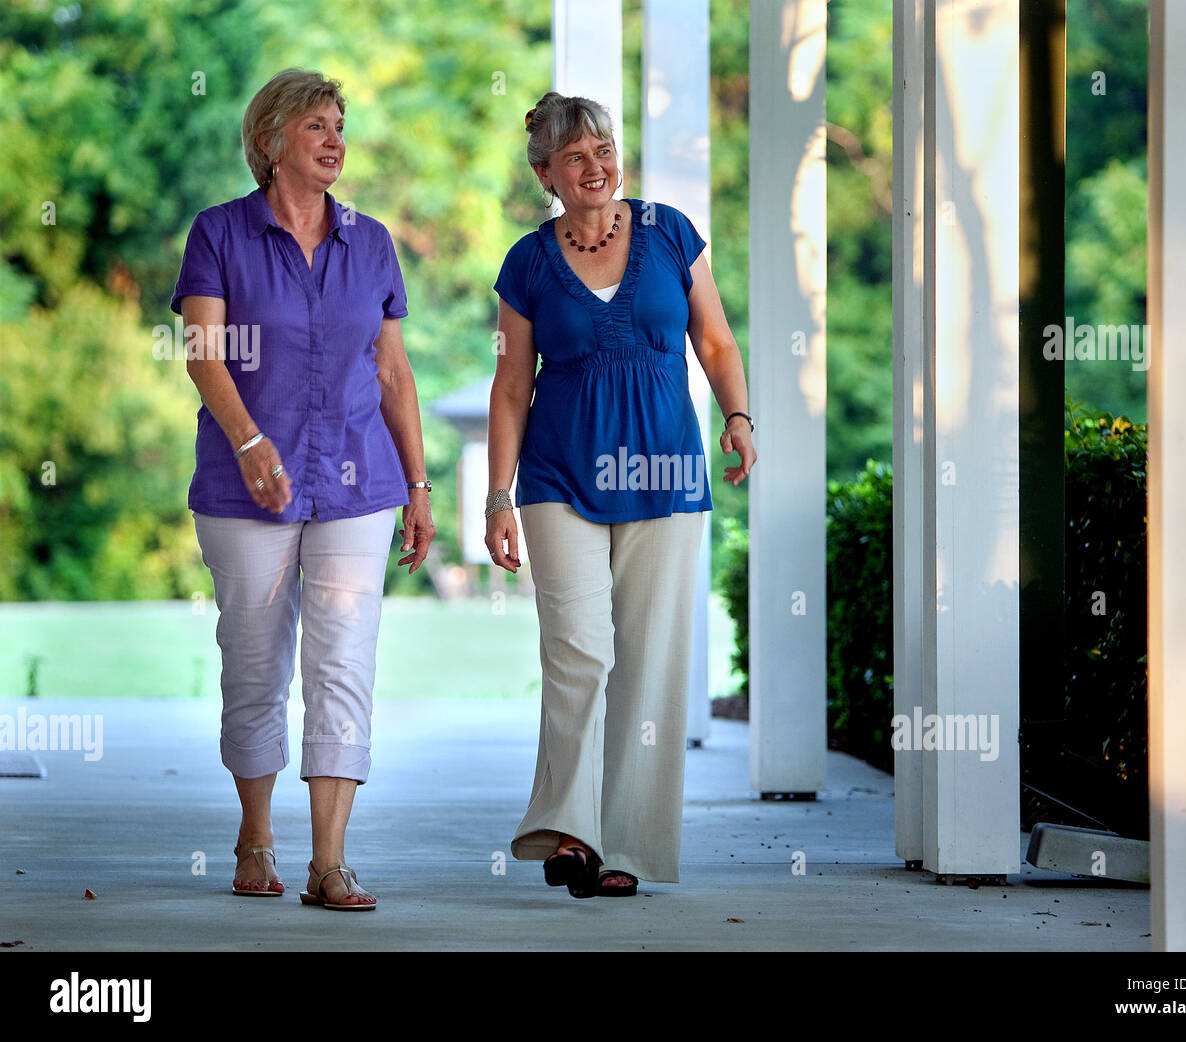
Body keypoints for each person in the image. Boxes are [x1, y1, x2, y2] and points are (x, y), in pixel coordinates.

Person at [171, 68, 434, 911]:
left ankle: (330, 863)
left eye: (340, 124)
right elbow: (203, 353)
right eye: (316, 124)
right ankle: (256, 838)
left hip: (359, 482)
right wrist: (248, 441)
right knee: (253, 667)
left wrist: (421, 484)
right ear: (270, 140)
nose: (334, 139)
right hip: (245, 485)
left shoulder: (374, 242)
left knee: (344, 662)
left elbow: (393, 373)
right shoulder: (220, 235)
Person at [486, 92, 756, 897]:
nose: (597, 166)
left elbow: (713, 338)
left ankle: (629, 848)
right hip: (559, 477)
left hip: (667, 475)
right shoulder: (528, 264)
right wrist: (498, 496)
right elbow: (510, 387)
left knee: (652, 662)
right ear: (546, 173)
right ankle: (572, 831)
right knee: (579, 652)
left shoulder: (671, 232)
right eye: (576, 157)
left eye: (605, 149)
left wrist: (737, 418)